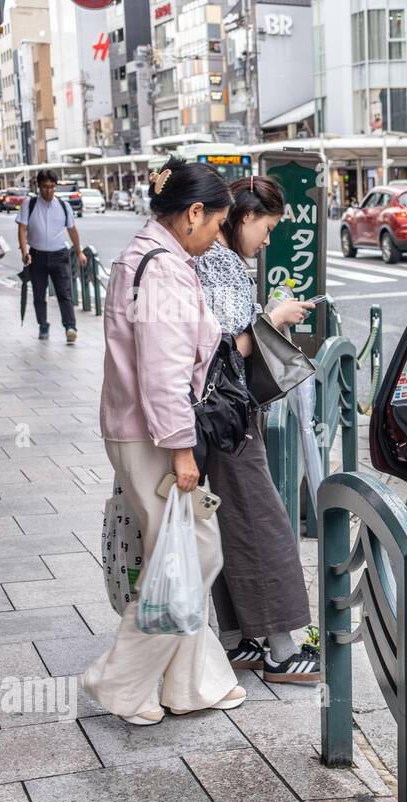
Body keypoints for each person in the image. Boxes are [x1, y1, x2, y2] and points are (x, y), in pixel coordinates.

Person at [83, 159, 245, 726]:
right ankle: (120, 681)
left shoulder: (148, 254)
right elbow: (163, 369)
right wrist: (181, 448)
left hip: (140, 428)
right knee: (191, 557)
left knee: (176, 553)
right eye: (217, 223)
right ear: (193, 213)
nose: (218, 236)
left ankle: (193, 681)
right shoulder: (163, 269)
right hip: (154, 436)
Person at [195, 175, 320, 683]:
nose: (268, 240)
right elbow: (229, 350)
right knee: (262, 520)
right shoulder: (220, 261)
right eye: (266, 228)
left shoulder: (211, 257)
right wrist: (274, 316)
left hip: (209, 412)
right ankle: (282, 651)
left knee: (231, 519)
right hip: (227, 411)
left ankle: (244, 639)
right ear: (244, 216)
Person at [17, 170, 86, 341]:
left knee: (64, 293)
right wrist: (25, 252)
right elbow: (22, 228)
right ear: (38, 186)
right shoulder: (29, 204)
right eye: (45, 187)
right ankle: (43, 325)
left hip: (59, 255)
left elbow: (72, 229)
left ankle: (70, 327)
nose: (48, 191)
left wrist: (79, 252)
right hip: (37, 256)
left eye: (52, 187)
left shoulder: (64, 206)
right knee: (39, 294)